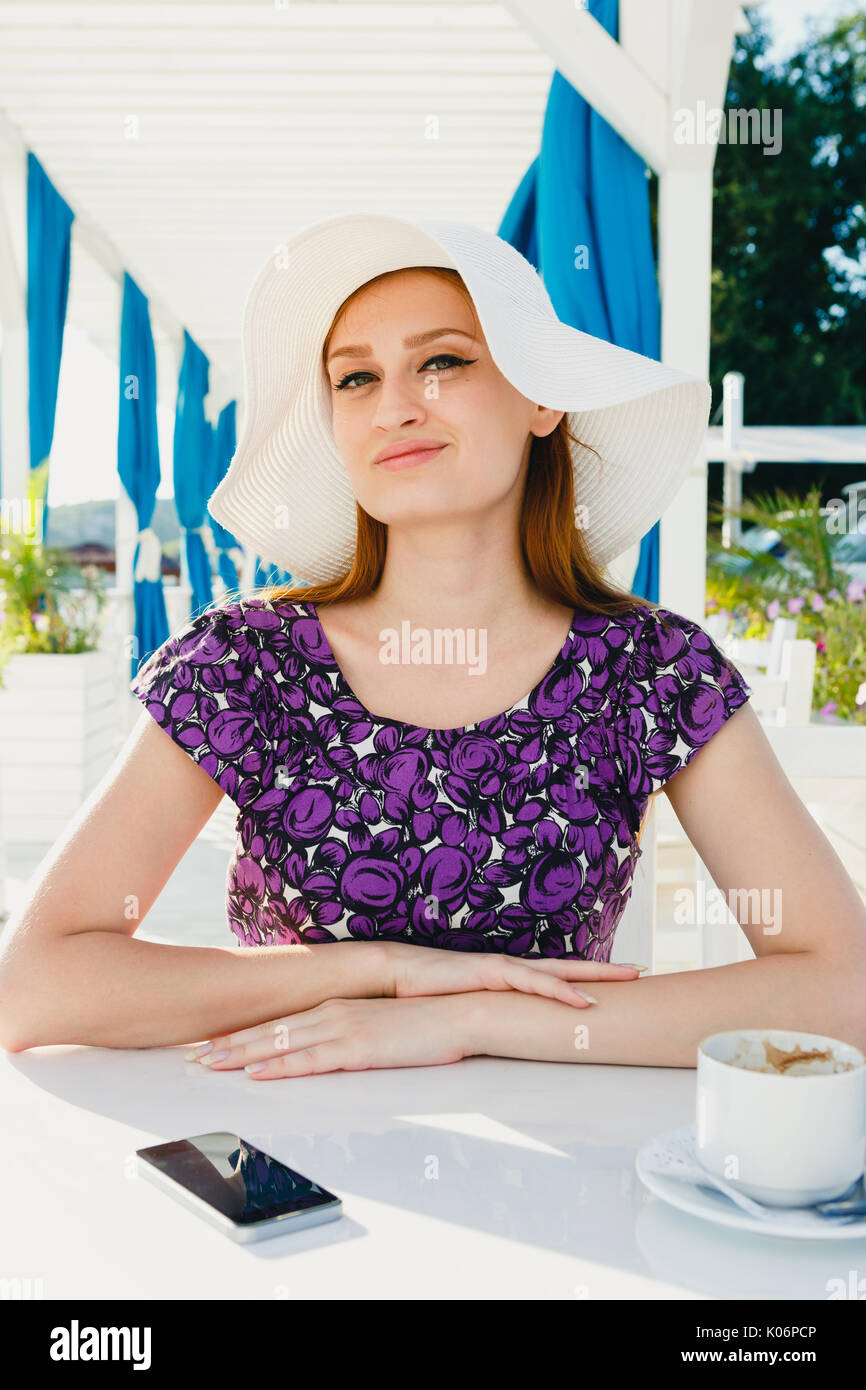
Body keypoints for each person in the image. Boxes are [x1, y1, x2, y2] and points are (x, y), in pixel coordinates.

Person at [2, 214, 864, 1078]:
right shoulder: (244, 663)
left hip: (556, 1178)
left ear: (540, 396)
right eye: (355, 378)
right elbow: (35, 984)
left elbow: (843, 993)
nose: (394, 407)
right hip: (293, 1171)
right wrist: (385, 973)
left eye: (443, 362)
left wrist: (472, 1019)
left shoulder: (651, 670)